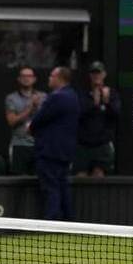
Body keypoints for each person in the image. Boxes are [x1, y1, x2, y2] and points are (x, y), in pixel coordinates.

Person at [30, 66, 80, 221]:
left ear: (60, 78)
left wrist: (30, 127)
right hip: (64, 151)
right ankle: (68, 221)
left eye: (52, 76)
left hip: (50, 151)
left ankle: (51, 221)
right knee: (62, 186)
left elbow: (40, 119)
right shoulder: (73, 96)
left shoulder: (57, 97)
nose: (49, 78)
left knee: (51, 187)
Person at [75, 61, 119, 177]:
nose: (96, 76)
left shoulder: (111, 93)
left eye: (99, 73)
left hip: (102, 144)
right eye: (93, 73)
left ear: (104, 74)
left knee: (99, 176)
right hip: (83, 144)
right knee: (80, 177)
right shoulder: (82, 94)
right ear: (90, 75)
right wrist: (94, 104)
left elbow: (116, 114)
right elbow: (78, 113)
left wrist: (107, 102)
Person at [5, 66, 45, 175]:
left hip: (39, 144)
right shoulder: (11, 98)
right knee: (18, 178)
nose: (26, 78)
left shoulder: (43, 97)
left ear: (34, 79)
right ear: (19, 79)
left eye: (29, 76)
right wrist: (30, 108)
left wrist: (38, 108)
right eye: (23, 76)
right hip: (19, 144)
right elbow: (11, 121)